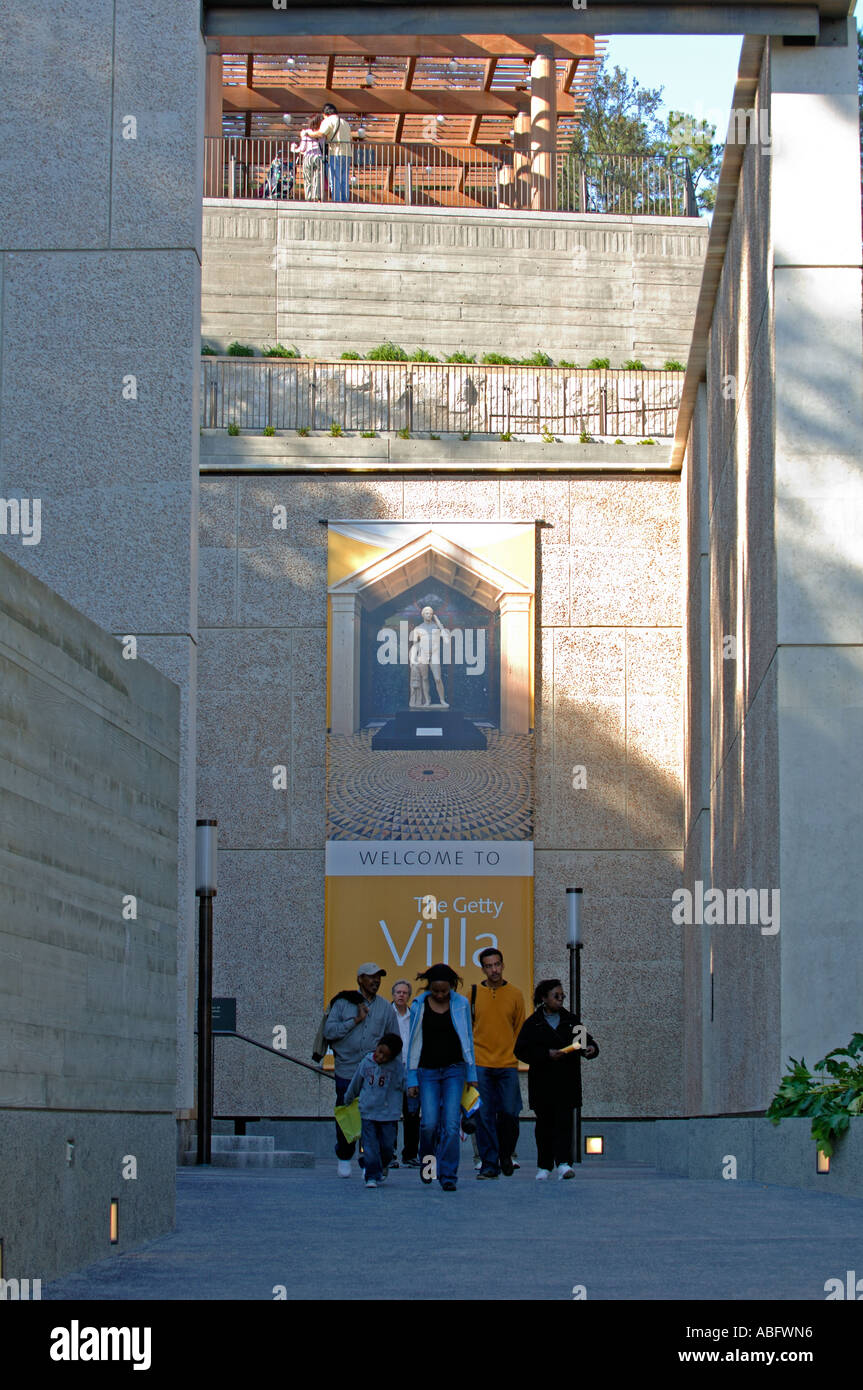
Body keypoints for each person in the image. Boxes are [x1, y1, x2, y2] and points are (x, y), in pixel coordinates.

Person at [514, 979, 599, 1180]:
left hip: (566, 1081)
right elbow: (521, 1050)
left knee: (564, 1122)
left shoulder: (570, 1020)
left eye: (562, 996)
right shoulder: (533, 1023)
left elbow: (586, 1041)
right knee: (544, 1124)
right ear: (544, 998)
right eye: (556, 996)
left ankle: (564, 1163)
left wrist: (590, 1049)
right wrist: (545, 1054)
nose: (560, 1000)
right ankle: (544, 1165)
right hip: (543, 1082)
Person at [323, 963, 399, 1177]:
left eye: (378, 978)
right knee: (347, 1113)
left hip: (374, 1072)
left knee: (373, 1117)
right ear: (360, 979)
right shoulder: (343, 1003)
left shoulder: (385, 1007)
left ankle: (369, 1160)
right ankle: (344, 1154)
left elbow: (394, 1041)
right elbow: (329, 1031)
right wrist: (355, 1020)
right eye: (371, 977)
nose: (375, 981)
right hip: (347, 1068)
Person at [406, 964, 477, 1191]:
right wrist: (412, 1078)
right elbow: (413, 1044)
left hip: (454, 1070)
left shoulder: (461, 1004)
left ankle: (448, 1176)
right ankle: (428, 1166)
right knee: (428, 1124)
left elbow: (467, 1039)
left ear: (452, 987)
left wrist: (472, 1075)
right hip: (426, 1071)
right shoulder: (419, 1005)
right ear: (429, 987)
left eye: (444, 991)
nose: (439, 995)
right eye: (435, 991)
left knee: (451, 1125)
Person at [471, 947, 526, 1179]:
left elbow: (519, 1028)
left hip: (507, 1063)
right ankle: (489, 1163)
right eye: (489, 966)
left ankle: (505, 1153)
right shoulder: (472, 993)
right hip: (481, 1062)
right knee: (484, 1115)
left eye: (497, 964)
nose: (493, 969)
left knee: (510, 1113)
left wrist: (513, 1054)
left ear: (503, 965)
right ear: (482, 968)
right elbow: (468, 1027)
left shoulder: (515, 994)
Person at [344, 1032, 405, 1188]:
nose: (379, 1057)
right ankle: (371, 1175)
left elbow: (405, 1085)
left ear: (392, 1058)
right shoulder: (366, 1062)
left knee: (387, 1147)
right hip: (368, 1112)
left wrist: (413, 1092)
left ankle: (382, 1164)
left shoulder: (397, 1068)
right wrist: (349, 1097)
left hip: (388, 1114)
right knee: (370, 1146)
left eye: (385, 1056)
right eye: (379, 1051)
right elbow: (356, 1081)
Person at [390, 980, 420, 1168]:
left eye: (404, 992)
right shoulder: (387, 1015)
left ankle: (410, 1154)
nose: (401, 995)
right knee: (390, 1114)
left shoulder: (414, 1016)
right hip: (392, 1069)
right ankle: (390, 1154)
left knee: (412, 1114)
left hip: (411, 1071)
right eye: (398, 992)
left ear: (408, 996)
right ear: (393, 995)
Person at [318, 103, 353, 202]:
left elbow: (321, 133)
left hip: (335, 153)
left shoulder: (328, 121)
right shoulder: (345, 123)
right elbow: (350, 138)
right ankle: (345, 201)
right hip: (347, 153)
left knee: (334, 180)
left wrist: (308, 133)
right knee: (344, 180)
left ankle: (336, 202)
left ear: (325, 113)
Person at [291, 115, 324, 202]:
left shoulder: (306, 134)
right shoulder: (322, 135)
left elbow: (302, 148)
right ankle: (317, 198)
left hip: (308, 156)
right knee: (317, 178)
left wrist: (294, 148)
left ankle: (308, 198)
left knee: (308, 179)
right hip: (319, 157)